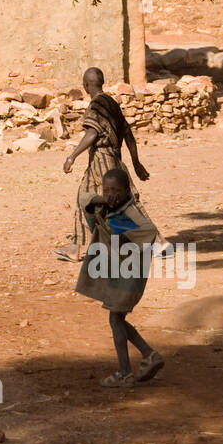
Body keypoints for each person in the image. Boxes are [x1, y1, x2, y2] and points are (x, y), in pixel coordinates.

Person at [76, 166, 164, 388]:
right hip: (121, 273)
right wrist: (97, 203)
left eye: (116, 190)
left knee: (115, 319)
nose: (110, 195)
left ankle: (126, 372)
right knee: (117, 319)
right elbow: (87, 205)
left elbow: (149, 231)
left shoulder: (131, 212)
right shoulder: (108, 207)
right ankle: (148, 355)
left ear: (126, 192)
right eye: (106, 190)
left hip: (130, 275)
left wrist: (127, 238)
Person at [57, 66, 150, 261]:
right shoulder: (111, 103)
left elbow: (92, 133)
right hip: (111, 159)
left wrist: (71, 156)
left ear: (85, 85)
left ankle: (155, 243)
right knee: (84, 198)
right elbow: (128, 133)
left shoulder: (96, 105)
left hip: (102, 158)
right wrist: (135, 162)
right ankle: (76, 247)